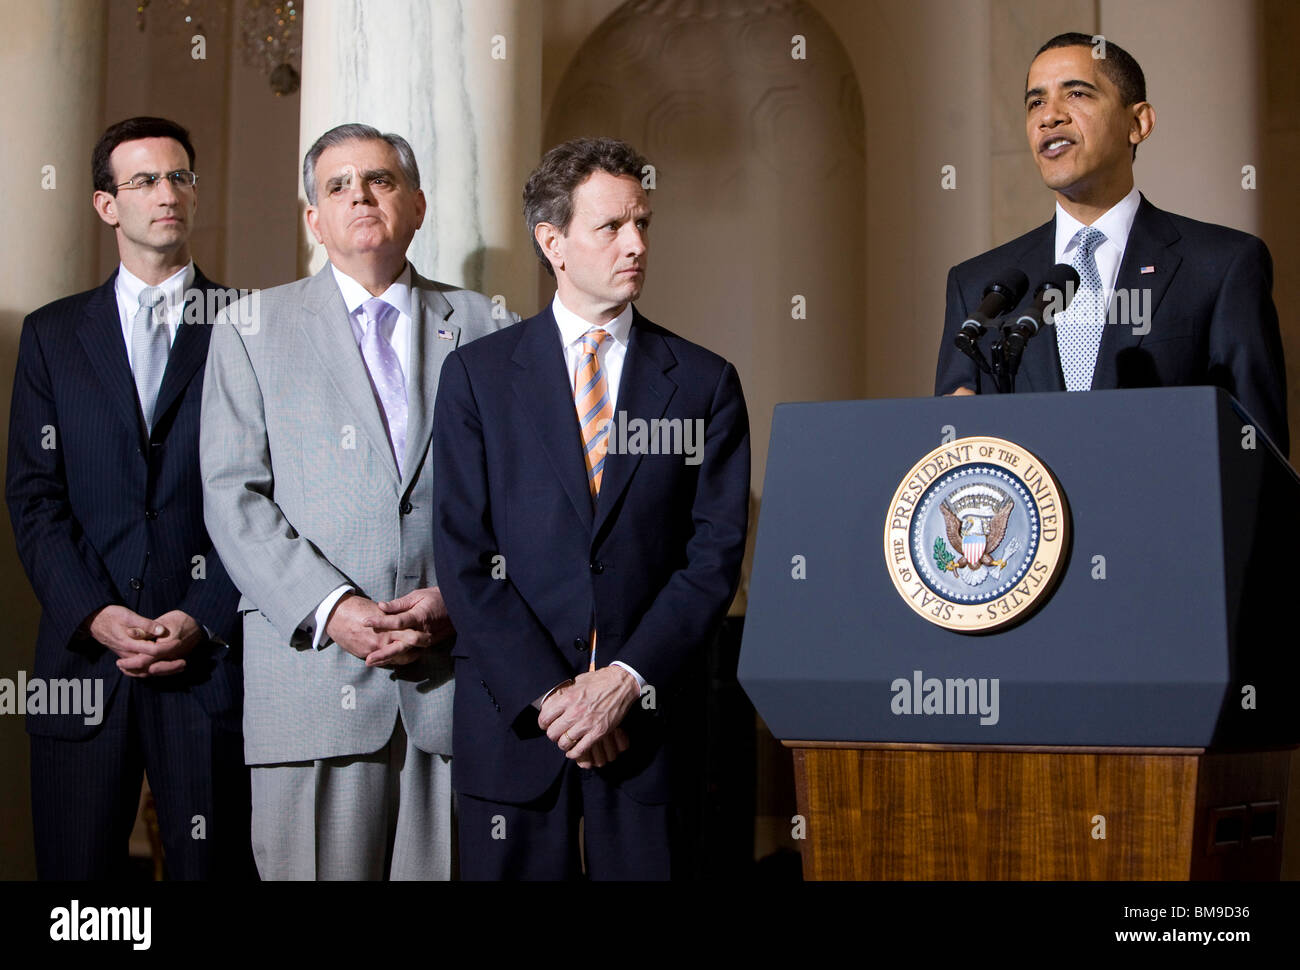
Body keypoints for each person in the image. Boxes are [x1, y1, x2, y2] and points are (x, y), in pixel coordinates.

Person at [431, 136, 750, 880]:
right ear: (554, 243)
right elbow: (463, 556)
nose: (636, 243)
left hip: (649, 726)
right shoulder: (477, 377)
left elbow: (712, 558)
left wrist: (623, 681)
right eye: (611, 227)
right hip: (516, 724)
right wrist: (556, 696)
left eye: (642, 223)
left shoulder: (705, 383)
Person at [200, 123, 510, 879]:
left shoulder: (489, 323)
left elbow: (522, 496)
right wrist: (332, 607)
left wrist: (459, 600)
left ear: (417, 204)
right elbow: (233, 495)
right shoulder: (248, 326)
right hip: (309, 682)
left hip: (452, 682)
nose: (359, 196)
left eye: (379, 180)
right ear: (313, 220)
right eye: (337, 186)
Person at [6, 116, 252, 879]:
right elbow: (34, 497)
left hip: (207, 667)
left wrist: (200, 615)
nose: (167, 193)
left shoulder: (251, 325)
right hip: (83, 663)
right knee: (78, 897)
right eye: (143, 180)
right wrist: (95, 614)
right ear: (106, 204)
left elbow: (266, 496)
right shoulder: (51, 335)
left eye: (180, 176)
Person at [934, 32, 1288, 453]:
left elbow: (1259, 452)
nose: (1050, 117)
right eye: (1035, 103)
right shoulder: (979, 285)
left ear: (1138, 123)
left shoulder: (1221, 265)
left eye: (1077, 94)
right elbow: (952, 453)